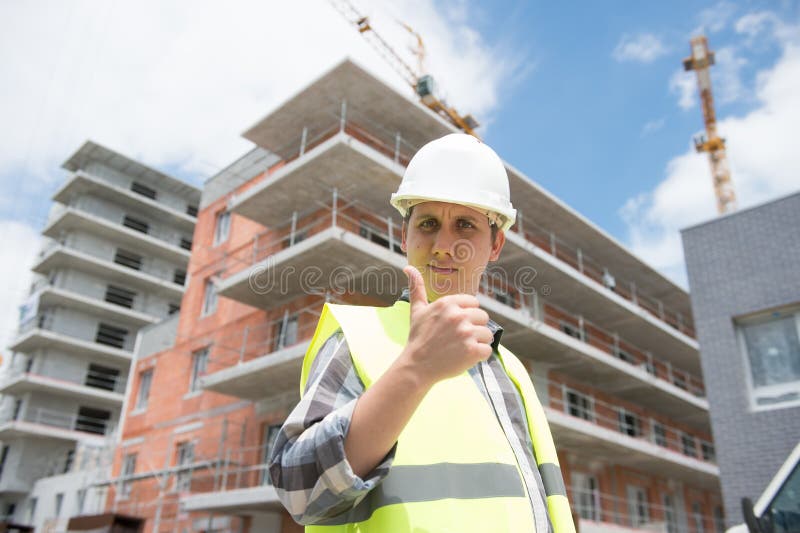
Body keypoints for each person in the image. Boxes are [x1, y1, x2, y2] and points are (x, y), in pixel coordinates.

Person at [269, 133, 575, 533]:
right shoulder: (360, 338)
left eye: (465, 225)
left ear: (496, 243)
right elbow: (298, 490)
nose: (444, 245)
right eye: (428, 224)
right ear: (404, 237)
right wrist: (415, 369)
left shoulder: (511, 369)